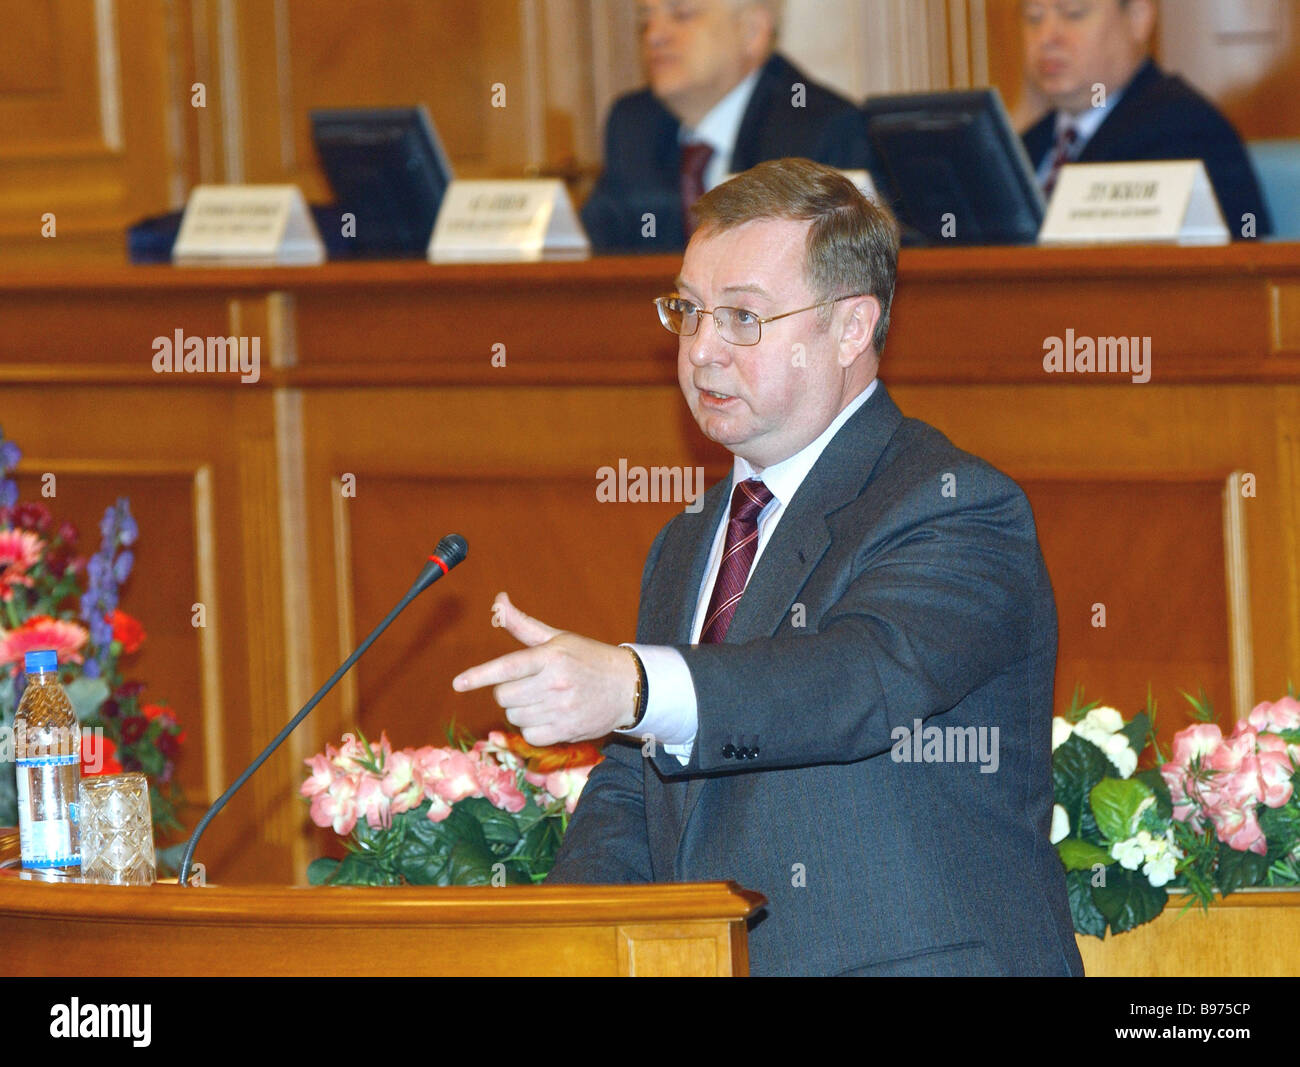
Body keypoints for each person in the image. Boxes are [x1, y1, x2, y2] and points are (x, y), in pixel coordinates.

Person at [453, 158, 1083, 977]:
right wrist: (559, 942)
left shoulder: (953, 504)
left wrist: (635, 686)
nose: (702, 350)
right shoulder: (688, 542)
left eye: (743, 318)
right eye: (688, 310)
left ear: (851, 327)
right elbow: (640, 785)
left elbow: (854, 683)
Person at [581, 0, 870, 251]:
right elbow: (593, 258)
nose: (654, 36)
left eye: (681, 14)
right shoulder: (633, 125)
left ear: (752, 31)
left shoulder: (821, 129)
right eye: (645, 20)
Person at [1019, 0, 1271, 237]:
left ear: (1138, 18)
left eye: (1074, 13)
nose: (1046, 37)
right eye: (1034, 17)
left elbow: (1242, 258)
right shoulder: (1022, 146)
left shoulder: (1185, 128)